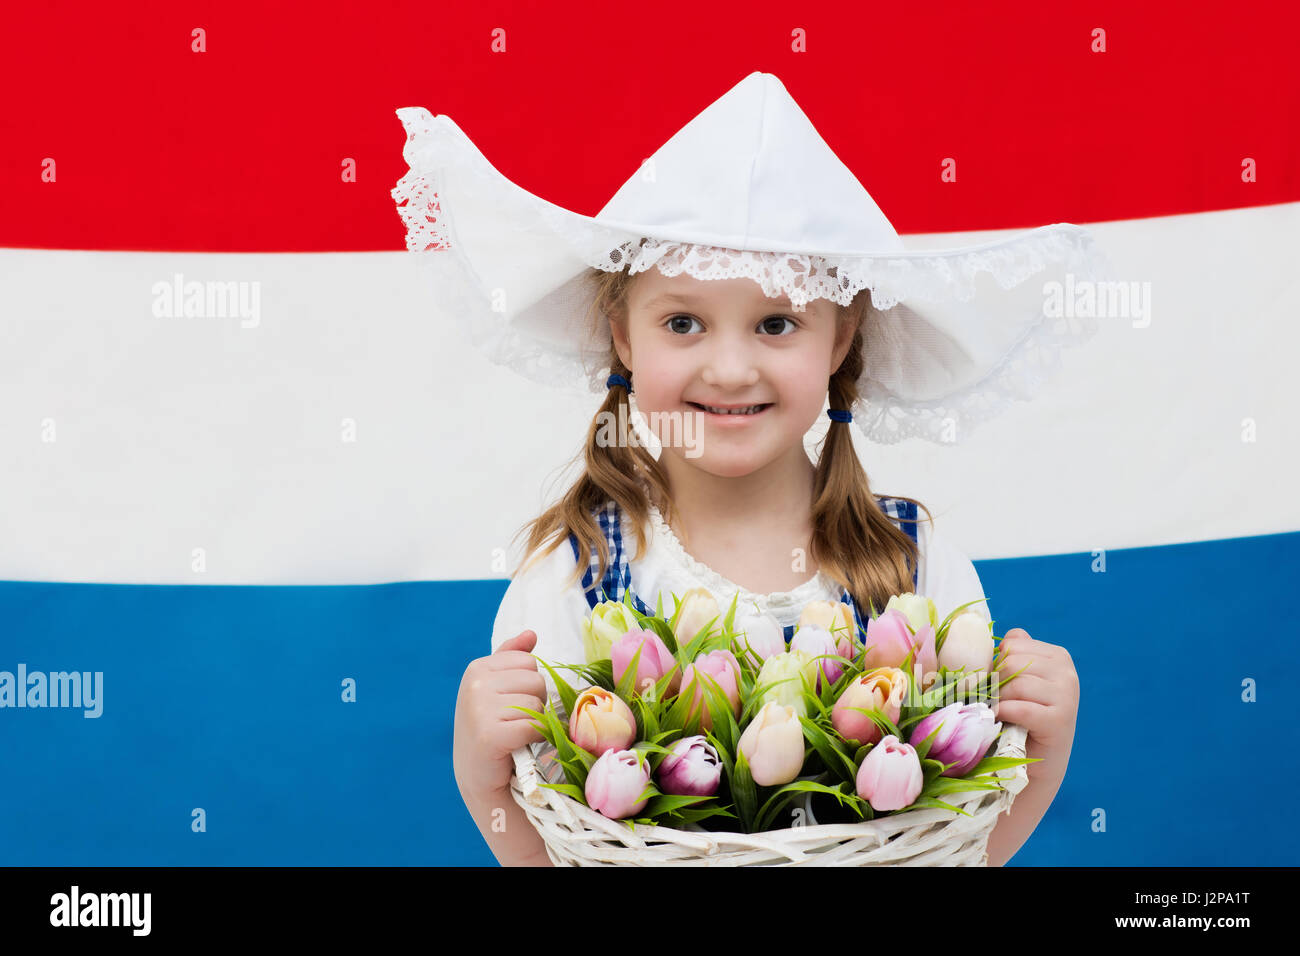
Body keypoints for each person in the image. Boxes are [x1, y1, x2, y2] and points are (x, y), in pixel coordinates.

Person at [394, 72, 1100, 867]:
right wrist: (483, 783)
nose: (730, 369)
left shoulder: (912, 562)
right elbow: (560, 851)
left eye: (776, 323)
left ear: (839, 342)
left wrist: (1044, 753)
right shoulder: (577, 573)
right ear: (623, 336)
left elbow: (959, 842)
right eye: (683, 322)